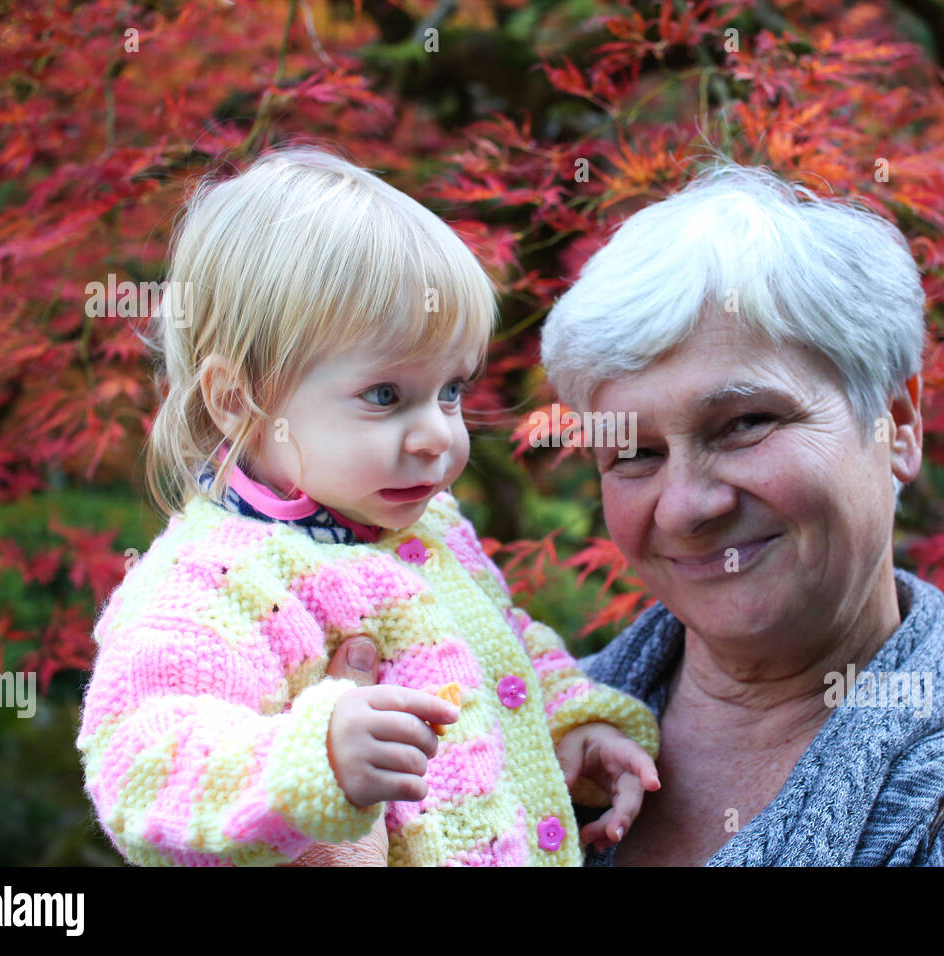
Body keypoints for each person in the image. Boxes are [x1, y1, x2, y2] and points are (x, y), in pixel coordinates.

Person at [538, 162, 944, 866]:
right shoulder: (504, 734)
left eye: (745, 422)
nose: (688, 507)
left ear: (899, 425)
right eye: (634, 453)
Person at [75, 147, 660, 867]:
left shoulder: (428, 528)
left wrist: (569, 721)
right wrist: (313, 759)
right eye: (385, 396)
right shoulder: (219, 578)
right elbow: (139, 758)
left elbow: (499, 642)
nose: (437, 435)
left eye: (451, 390)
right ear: (237, 401)